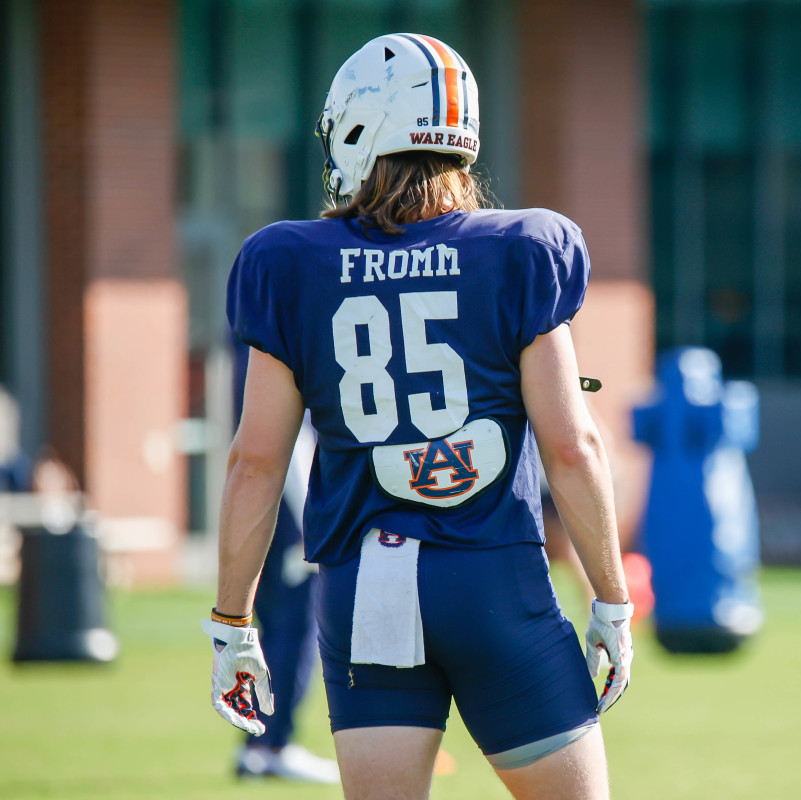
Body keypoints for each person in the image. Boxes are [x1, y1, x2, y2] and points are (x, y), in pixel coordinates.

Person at [202, 33, 632, 800]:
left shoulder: (288, 261)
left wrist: (232, 619)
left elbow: (255, 462)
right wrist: (611, 599)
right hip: (495, 576)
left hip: (367, 586)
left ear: (361, 132)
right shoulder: (524, 248)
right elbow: (573, 447)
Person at [229, 342, 339, 783]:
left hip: (263, 510)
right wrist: (306, 522)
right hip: (287, 514)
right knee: (295, 629)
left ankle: (257, 741)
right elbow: (288, 442)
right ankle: (272, 743)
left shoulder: (246, 348)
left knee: (272, 629)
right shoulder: (277, 346)